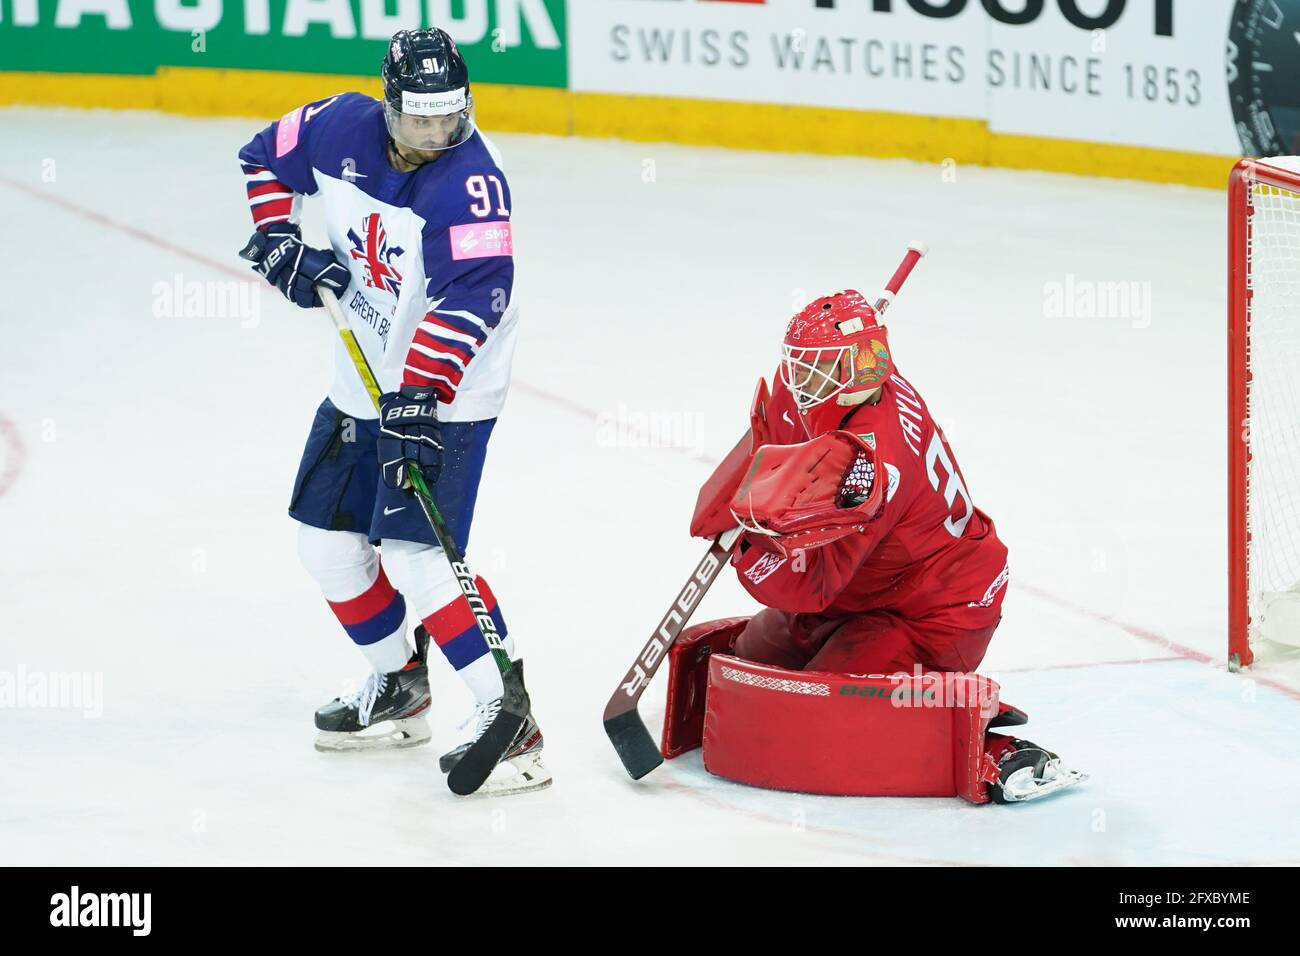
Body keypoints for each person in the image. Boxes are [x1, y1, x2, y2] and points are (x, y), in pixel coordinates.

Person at [234, 27, 547, 795]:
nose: (441, 132)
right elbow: (264, 157)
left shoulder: (471, 181)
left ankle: (514, 726)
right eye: (423, 119)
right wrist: (279, 241)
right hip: (360, 378)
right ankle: (400, 686)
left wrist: (423, 394)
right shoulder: (340, 125)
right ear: (388, 106)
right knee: (326, 546)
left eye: (453, 115)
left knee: (416, 556)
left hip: (453, 393)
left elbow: (478, 295)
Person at [693, 288, 1082, 802]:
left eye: (818, 370)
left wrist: (747, 545)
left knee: (826, 715)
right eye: (800, 367)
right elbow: (785, 428)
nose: (801, 382)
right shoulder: (866, 381)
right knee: (754, 663)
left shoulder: (877, 464)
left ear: (859, 372)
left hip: (936, 608)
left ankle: (988, 744)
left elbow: (812, 584)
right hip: (866, 586)